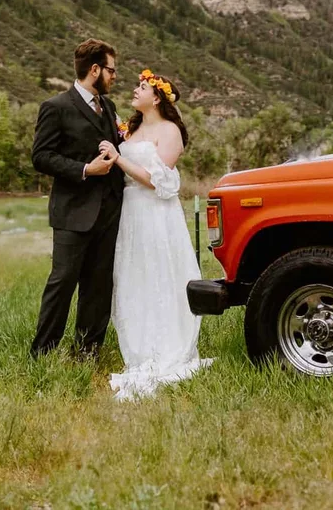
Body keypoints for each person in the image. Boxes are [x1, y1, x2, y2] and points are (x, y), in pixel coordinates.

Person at [99, 69, 212, 400]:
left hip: (156, 215)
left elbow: (158, 180)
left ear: (158, 97)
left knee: (160, 276)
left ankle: (166, 346)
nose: (135, 90)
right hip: (130, 214)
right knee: (133, 276)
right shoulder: (130, 130)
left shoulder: (170, 131)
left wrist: (118, 159)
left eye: (142, 87)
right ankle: (137, 346)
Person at [29, 38, 124, 357]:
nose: (114, 77)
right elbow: (41, 156)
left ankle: (87, 351)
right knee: (62, 283)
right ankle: (42, 352)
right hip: (72, 214)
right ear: (94, 69)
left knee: (99, 287)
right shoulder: (56, 107)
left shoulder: (109, 107)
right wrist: (85, 169)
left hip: (109, 212)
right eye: (111, 70)